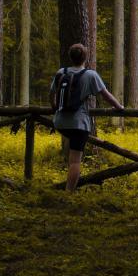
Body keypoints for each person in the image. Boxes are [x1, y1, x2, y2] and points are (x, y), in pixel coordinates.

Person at [51, 43, 124, 191]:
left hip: (60, 122)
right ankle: (68, 193)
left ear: (71, 57)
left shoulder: (61, 72)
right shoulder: (90, 75)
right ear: (85, 58)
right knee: (75, 162)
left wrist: (55, 109)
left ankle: (68, 187)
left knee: (71, 152)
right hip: (78, 124)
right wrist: (119, 107)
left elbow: (51, 94)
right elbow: (106, 95)